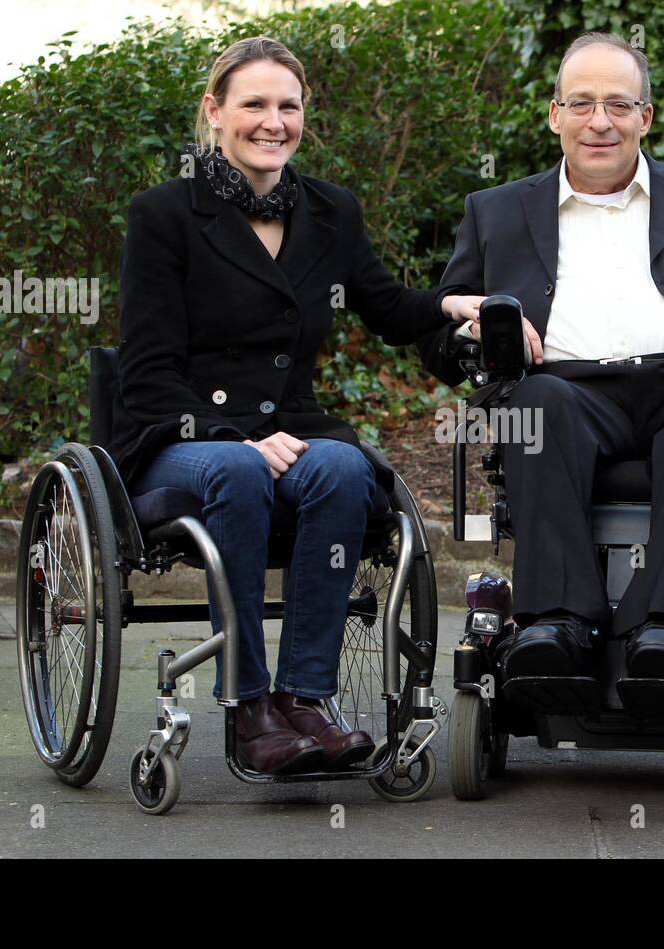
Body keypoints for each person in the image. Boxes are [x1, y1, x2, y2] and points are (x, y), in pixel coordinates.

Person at [109, 37, 479, 774]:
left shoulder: (330, 212)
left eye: (288, 105)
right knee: (240, 474)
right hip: (179, 432)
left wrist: (451, 304)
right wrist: (238, 438)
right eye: (253, 104)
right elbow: (147, 373)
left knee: (346, 470)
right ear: (215, 111)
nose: (272, 121)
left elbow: (388, 307)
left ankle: (307, 697)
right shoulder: (165, 215)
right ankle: (249, 708)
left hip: (291, 429)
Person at [421, 32, 664, 687]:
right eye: (580, 104)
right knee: (536, 404)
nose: (599, 121)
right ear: (554, 115)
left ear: (645, 117)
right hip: (562, 388)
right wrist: (477, 327)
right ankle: (557, 623)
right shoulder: (495, 212)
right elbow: (439, 330)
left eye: (617, 104)